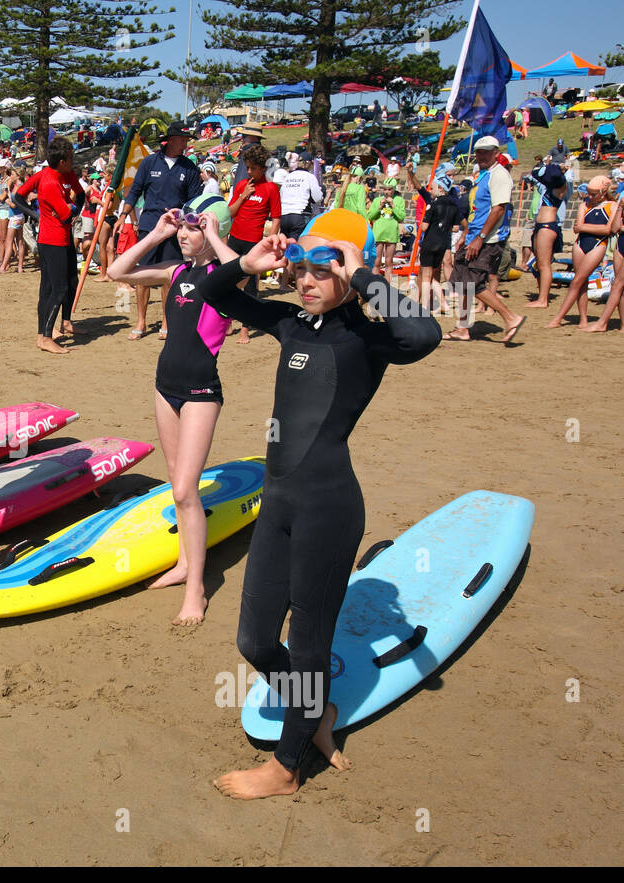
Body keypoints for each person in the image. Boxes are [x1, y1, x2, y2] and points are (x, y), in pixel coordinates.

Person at [197, 209, 441, 799]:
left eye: (320, 271)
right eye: (299, 269)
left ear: (350, 273)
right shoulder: (289, 324)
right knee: (254, 642)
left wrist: (362, 274)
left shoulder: (367, 338)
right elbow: (211, 294)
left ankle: (287, 767)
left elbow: (425, 334)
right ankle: (318, 710)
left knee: (308, 644)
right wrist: (247, 263)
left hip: (329, 509)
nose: (305, 281)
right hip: (278, 504)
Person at [108, 194, 237, 625]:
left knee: (185, 489)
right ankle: (183, 564)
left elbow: (242, 268)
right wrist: (158, 233)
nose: (185, 234)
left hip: (202, 391)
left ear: (213, 229)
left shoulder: (222, 277)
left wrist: (216, 236)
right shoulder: (175, 271)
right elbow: (116, 271)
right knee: (176, 483)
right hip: (166, 387)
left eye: (194, 227)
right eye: (183, 227)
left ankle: (197, 587)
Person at [111, 122, 202, 339]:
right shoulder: (149, 162)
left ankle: (166, 321)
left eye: (187, 139)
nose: (185, 143)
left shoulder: (189, 167)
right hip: (150, 224)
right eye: (182, 139)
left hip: (175, 227)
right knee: (142, 273)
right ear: (170, 139)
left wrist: (184, 217)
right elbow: (134, 191)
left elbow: (194, 200)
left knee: (170, 276)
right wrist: (123, 215)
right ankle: (141, 321)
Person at [443, 137, 525, 343]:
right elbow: (477, 211)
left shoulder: (499, 176)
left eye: (486, 152)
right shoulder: (484, 176)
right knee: (462, 282)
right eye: (479, 152)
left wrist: (479, 238)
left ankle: (510, 317)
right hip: (474, 235)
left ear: (496, 152)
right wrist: (466, 234)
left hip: (487, 239)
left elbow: (498, 209)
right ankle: (462, 328)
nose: (481, 156)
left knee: (473, 283)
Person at [16, 136, 85, 354]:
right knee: (56, 289)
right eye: (71, 158)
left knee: (65, 283)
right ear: (62, 160)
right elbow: (65, 214)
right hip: (52, 240)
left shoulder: (63, 175)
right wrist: (37, 215)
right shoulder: (48, 181)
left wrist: (72, 209)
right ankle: (45, 336)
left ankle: (59, 325)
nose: (73, 161)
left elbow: (78, 200)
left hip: (60, 238)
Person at [546, 176, 616, 329]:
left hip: (598, 244)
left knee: (577, 281)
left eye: (593, 194)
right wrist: (587, 228)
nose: (590, 197)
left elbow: (608, 230)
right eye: (588, 193)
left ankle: (558, 318)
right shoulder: (585, 204)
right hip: (580, 244)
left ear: (603, 192)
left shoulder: (612, 205)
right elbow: (577, 227)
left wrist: (584, 227)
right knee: (582, 283)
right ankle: (583, 318)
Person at [226, 142, 281, 336]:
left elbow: (276, 218)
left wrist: (271, 242)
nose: (249, 171)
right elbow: (229, 213)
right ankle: (227, 321)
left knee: (250, 285)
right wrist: (243, 196)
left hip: (254, 241)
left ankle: (245, 327)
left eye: (254, 168)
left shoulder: (271, 189)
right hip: (235, 238)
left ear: (264, 168)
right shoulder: (242, 185)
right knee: (228, 281)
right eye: (247, 167)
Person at [405, 168, 461, 314]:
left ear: (441, 188)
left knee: (426, 275)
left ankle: (422, 308)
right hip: (443, 242)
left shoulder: (433, 203)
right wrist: (410, 173)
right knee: (431, 276)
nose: (430, 190)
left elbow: (423, 227)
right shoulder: (454, 204)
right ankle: (443, 304)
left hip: (431, 241)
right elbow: (455, 228)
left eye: (433, 187)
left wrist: (435, 224)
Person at [524, 161, 568, 310]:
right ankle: (541, 295)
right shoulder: (554, 183)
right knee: (538, 263)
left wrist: (555, 168)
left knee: (544, 265)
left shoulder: (560, 185)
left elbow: (545, 173)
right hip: (542, 226)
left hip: (548, 226)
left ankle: (543, 299)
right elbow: (536, 173)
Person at [584, 197, 624, 332]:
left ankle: (602, 323)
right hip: (621, 244)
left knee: (618, 283)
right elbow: (614, 229)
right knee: (619, 287)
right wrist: (620, 207)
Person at [368, 177, 406, 276]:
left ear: (394, 189)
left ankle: (388, 286)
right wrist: (379, 207)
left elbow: (401, 217)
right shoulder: (377, 200)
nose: (387, 192)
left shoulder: (399, 200)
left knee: (389, 262)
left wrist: (393, 206)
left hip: (392, 233)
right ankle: (374, 284)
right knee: (377, 261)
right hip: (378, 232)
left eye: (389, 189)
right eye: (385, 189)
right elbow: (370, 216)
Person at [277, 157, 322, 240]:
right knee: (297, 248)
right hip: (300, 214)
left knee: (284, 246)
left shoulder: (288, 176)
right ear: (310, 165)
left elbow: (281, 195)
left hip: (284, 215)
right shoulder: (310, 176)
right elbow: (318, 198)